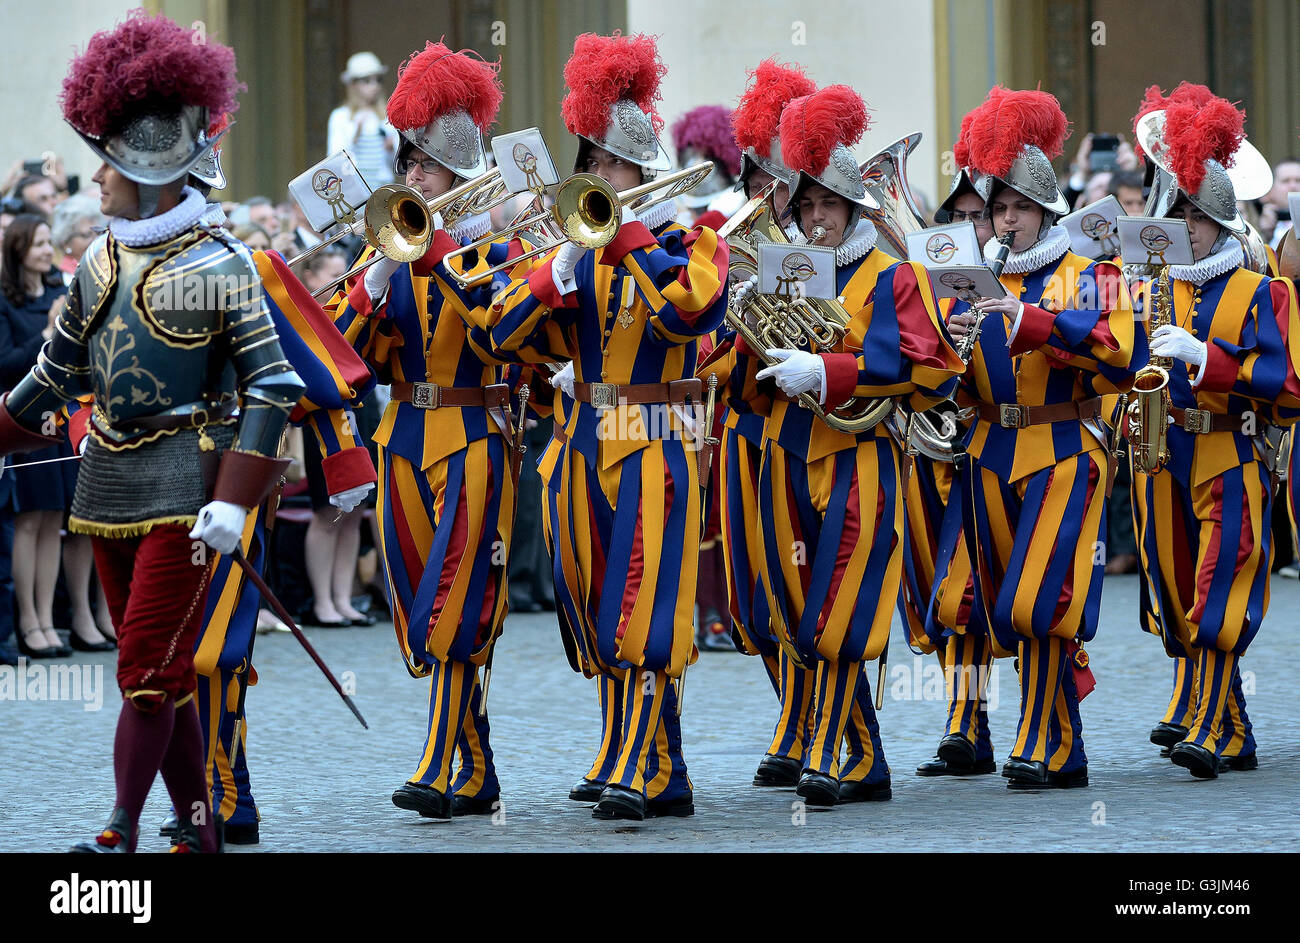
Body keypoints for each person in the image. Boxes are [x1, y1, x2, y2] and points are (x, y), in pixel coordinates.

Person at [0, 11, 304, 853]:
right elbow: (50, 379)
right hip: (105, 481)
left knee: (141, 665)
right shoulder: (97, 262)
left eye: (110, 161)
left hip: (187, 483)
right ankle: (200, 826)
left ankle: (121, 827)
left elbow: (272, 384)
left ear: (151, 171)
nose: (95, 178)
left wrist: (237, 502)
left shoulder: (222, 262)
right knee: (158, 675)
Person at [491, 31, 728, 821]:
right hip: (583, 443)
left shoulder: (693, 244)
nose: (594, 177)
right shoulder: (580, 254)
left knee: (645, 605)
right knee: (598, 607)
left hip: (654, 438)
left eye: (608, 166)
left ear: (642, 174)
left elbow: (685, 311)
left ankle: (651, 765)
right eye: (588, 162)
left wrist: (621, 239)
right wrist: (551, 276)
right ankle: (647, 759)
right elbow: (505, 336)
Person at [731, 84, 961, 807]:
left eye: (828, 205)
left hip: (861, 455)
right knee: (801, 609)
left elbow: (922, 366)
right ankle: (862, 755)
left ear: (855, 209)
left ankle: (842, 752)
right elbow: (743, 379)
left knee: (841, 607)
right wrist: (739, 325)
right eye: (805, 206)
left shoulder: (893, 275)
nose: (816, 218)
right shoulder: (787, 271)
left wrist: (826, 368)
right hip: (789, 451)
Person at [331, 41, 524, 823]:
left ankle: (439, 761)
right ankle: (475, 769)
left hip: (473, 434)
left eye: (428, 170)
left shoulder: (494, 254)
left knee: (457, 598)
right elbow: (346, 360)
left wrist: (441, 259)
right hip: (402, 432)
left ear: (462, 180)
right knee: (418, 602)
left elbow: (503, 337)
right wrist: (373, 280)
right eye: (409, 164)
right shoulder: (391, 259)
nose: (413, 178)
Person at [945, 87, 1138, 790]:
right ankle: (1062, 744)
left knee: (1035, 600)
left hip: (1062, 448)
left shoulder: (1091, 276)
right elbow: (964, 385)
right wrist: (952, 344)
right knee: (1006, 605)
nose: (1007, 219)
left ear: (1047, 212)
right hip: (990, 449)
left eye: (1019, 208)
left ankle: (1043, 739)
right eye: (999, 208)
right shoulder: (980, 281)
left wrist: (1032, 320)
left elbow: (1121, 349)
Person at [1127, 84, 1298, 778]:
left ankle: (1209, 720)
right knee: (1174, 591)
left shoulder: (1264, 291)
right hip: (1167, 450)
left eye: (1197, 216)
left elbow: (1288, 383)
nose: (1186, 226)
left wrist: (1211, 360)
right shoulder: (1156, 289)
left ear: (1222, 223)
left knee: (1218, 586)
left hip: (1229, 449)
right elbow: (1129, 367)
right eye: (1180, 213)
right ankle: (1231, 729)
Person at [707, 57, 817, 786]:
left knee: (809, 586)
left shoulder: (828, 241)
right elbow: (699, 338)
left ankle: (822, 721)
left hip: (812, 432)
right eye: (756, 181)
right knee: (755, 592)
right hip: (744, 430)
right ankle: (792, 713)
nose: (765, 196)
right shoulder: (722, 240)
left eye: (777, 183)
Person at [911, 123, 999, 778]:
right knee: (934, 591)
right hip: (927, 454)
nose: (972, 226)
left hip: (985, 451)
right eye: (961, 216)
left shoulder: (1010, 284)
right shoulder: (928, 281)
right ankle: (962, 719)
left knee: (962, 593)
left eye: (982, 215)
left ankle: (977, 722)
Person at [0, 214, 77, 657]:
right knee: (28, 520)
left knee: (52, 518)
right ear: (18, 251)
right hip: (18, 419)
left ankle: (47, 619)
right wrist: (48, 333)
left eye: (49, 242)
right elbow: (7, 363)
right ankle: (26, 621)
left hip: (57, 415)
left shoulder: (56, 293)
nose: (47, 251)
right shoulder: (6, 302)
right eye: (38, 244)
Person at [328, 51, 398, 189]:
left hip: (383, 187)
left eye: (378, 80)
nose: (374, 86)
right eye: (366, 81)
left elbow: (400, 163)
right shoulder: (340, 116)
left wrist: (393, 147)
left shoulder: (388, 116)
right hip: (354, 188)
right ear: (353, 85)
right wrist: (354, 137)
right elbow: (333, 160)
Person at [50, 194, 106, 281]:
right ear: (65, 243)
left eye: (98, 233)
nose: (96, 240)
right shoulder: (59, 282)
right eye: (86, 235)